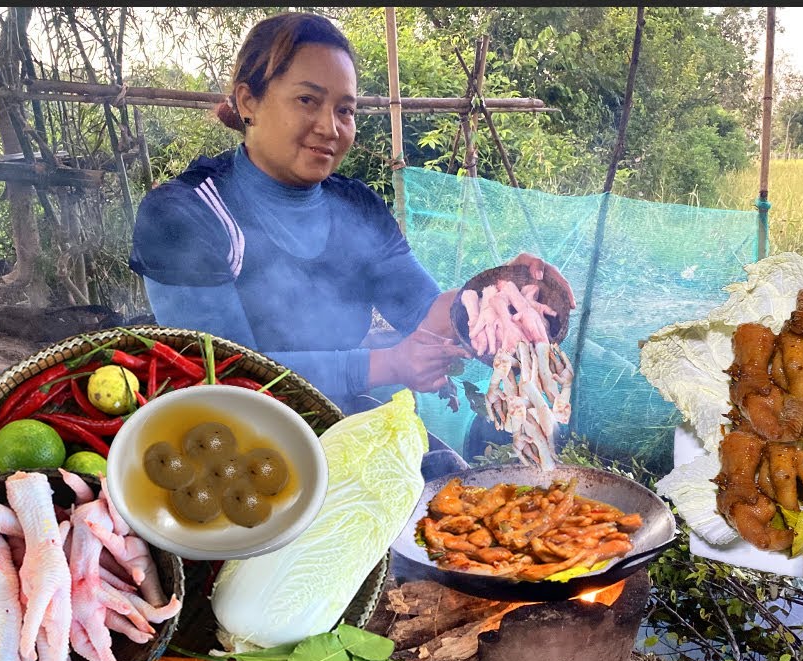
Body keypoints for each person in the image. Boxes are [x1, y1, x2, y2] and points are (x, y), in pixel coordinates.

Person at [128, 12, 572, 422]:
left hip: (346, 421)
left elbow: (421, 313)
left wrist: (497, 293)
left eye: (345, 109)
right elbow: (223, 374)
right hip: (235, 439)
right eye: (307, 100)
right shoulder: (189, 213)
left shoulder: (356, 207)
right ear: (249, 101)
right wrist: (388, 363)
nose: (331, 127)